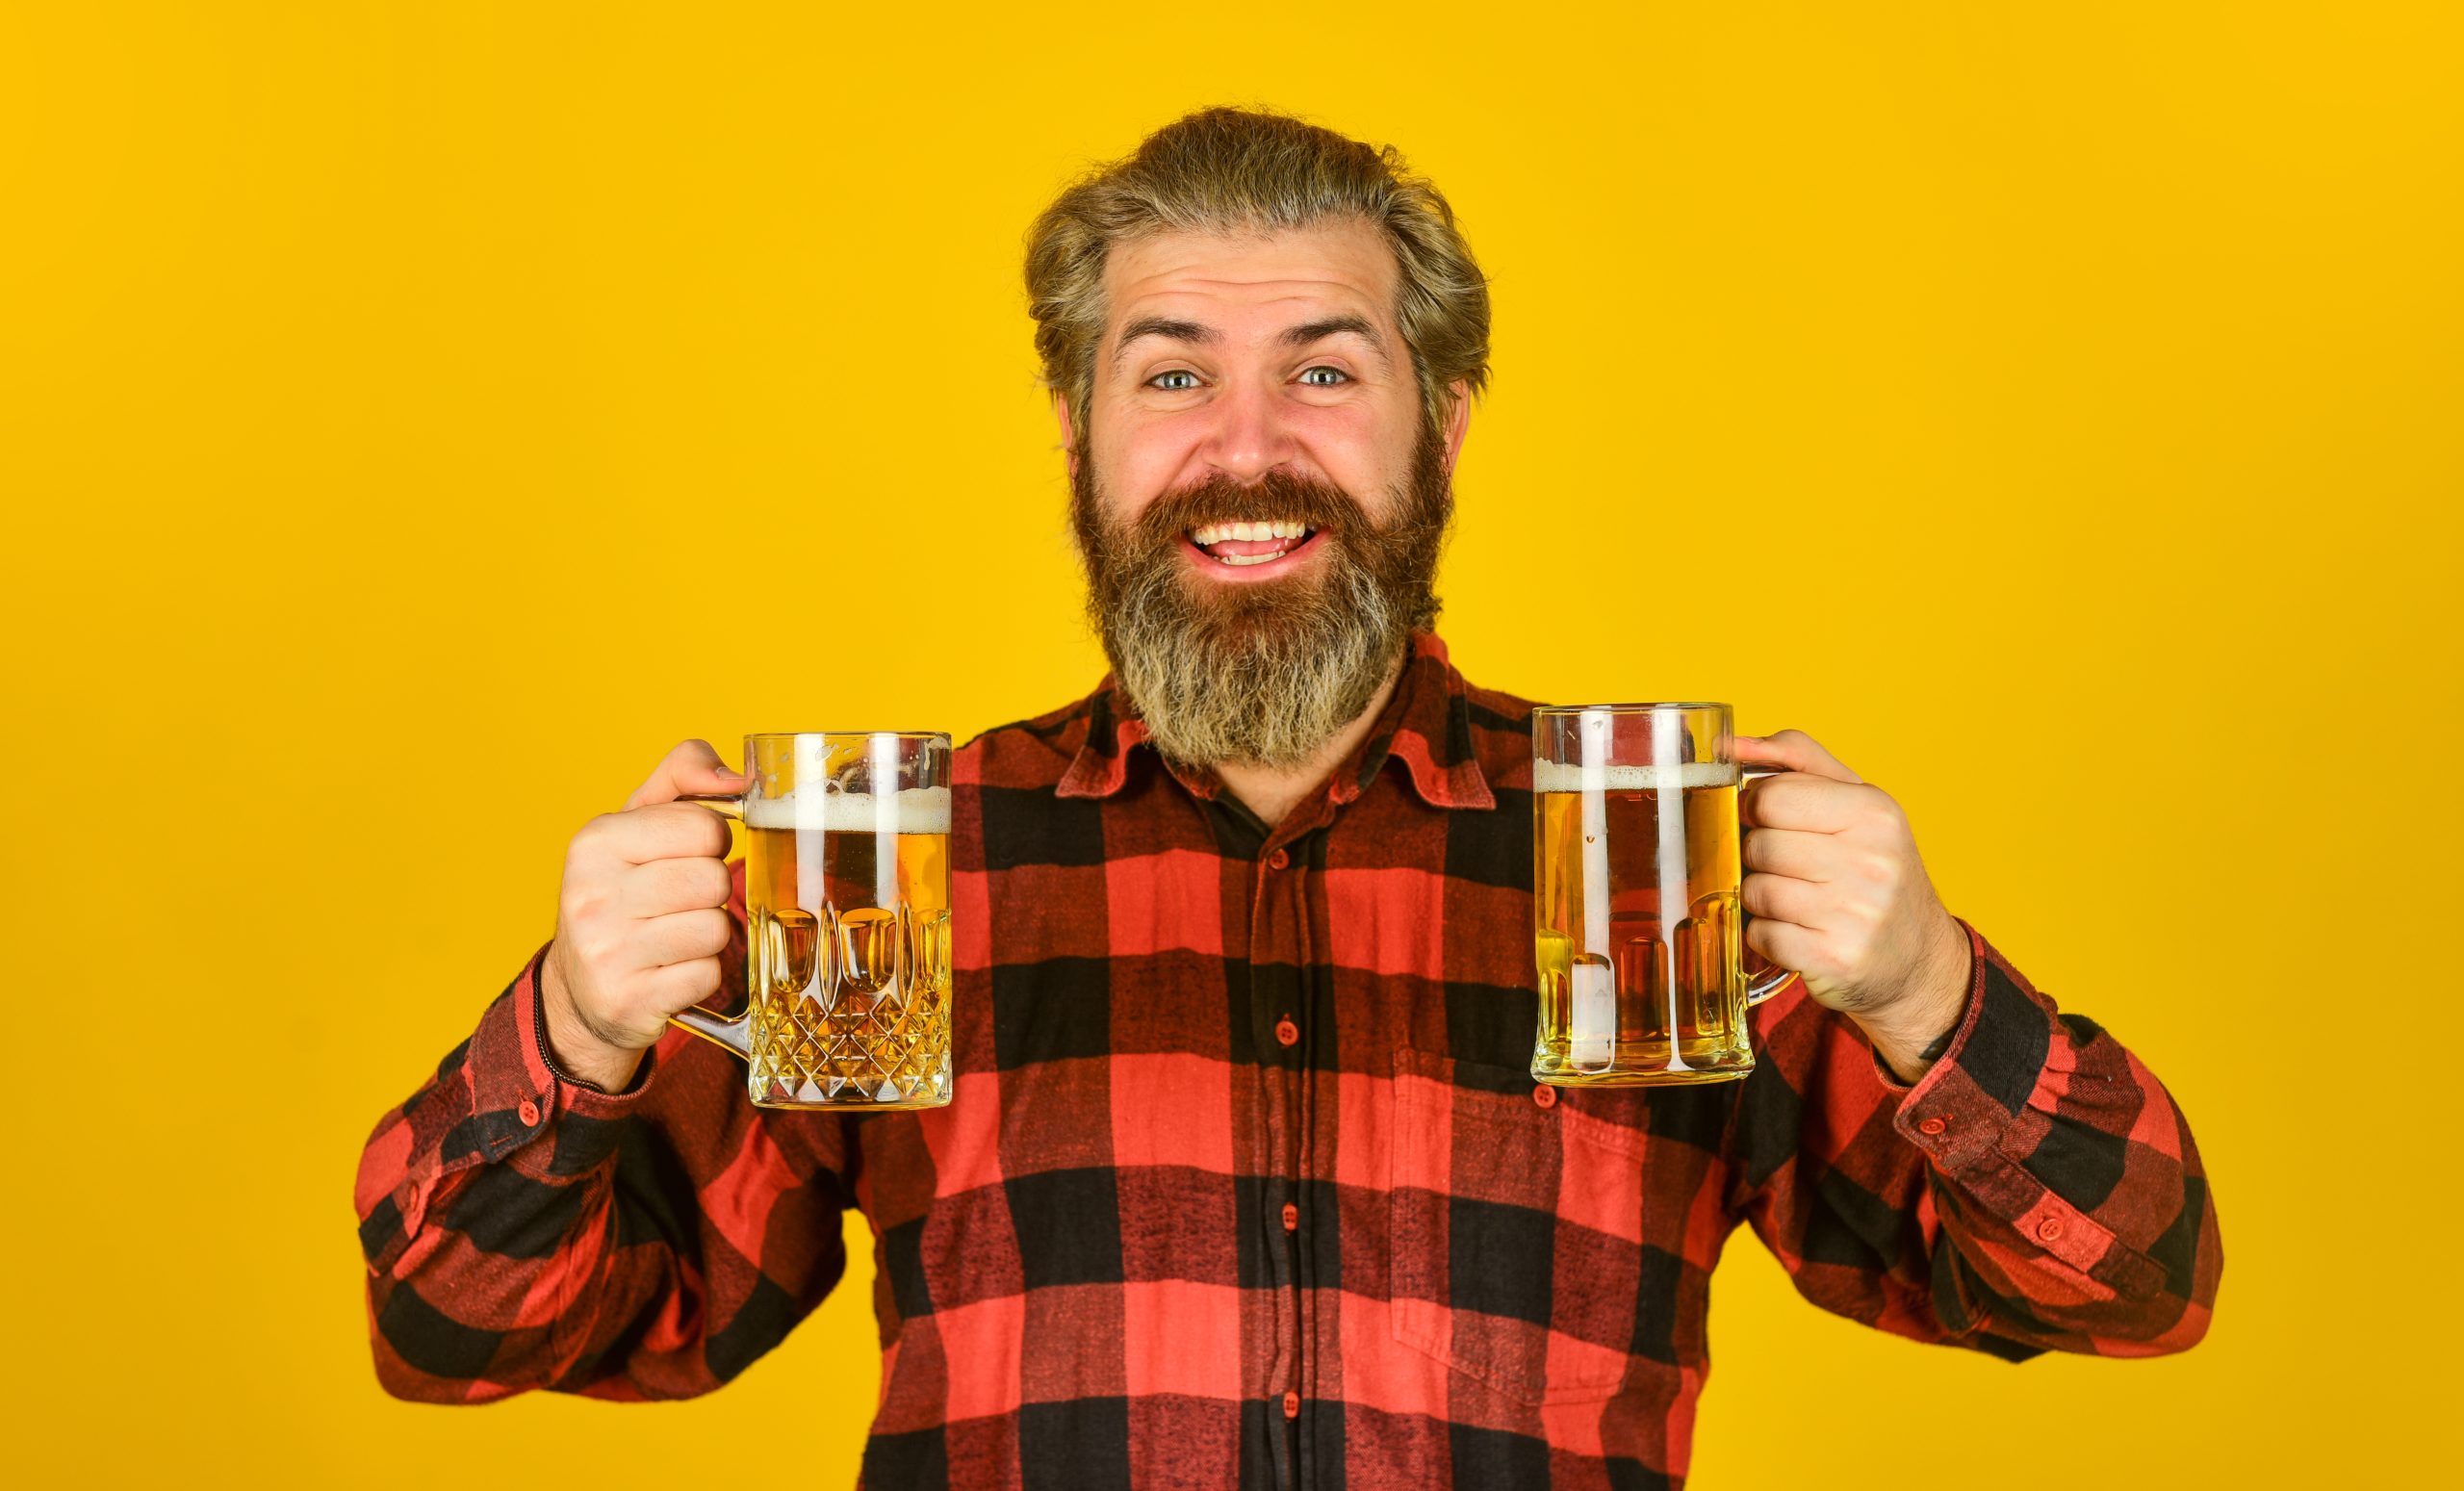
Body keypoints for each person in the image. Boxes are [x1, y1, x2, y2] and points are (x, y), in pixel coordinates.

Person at [355, 107, 2219, 1487]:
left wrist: (1920, 992)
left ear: (1446, 420)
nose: (1244, 450)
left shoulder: (1655, 864)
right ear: (1078, 430)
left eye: (1321, 370)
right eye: (1171, 374)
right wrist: (579, 1032)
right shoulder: (894, 873)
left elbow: (2126, 1283)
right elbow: (468, 1333)